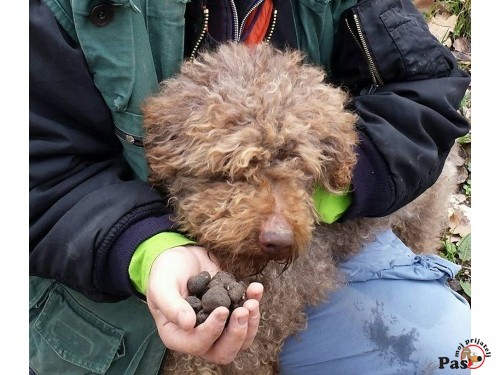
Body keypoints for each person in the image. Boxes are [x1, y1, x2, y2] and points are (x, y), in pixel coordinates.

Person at [29, 0, 471, 374]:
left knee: (462, 354)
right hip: (99, 261)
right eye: (233, 172)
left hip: (338, 221)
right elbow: (38, 174)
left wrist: (323, 183)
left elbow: (425, 90)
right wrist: (147, 249)